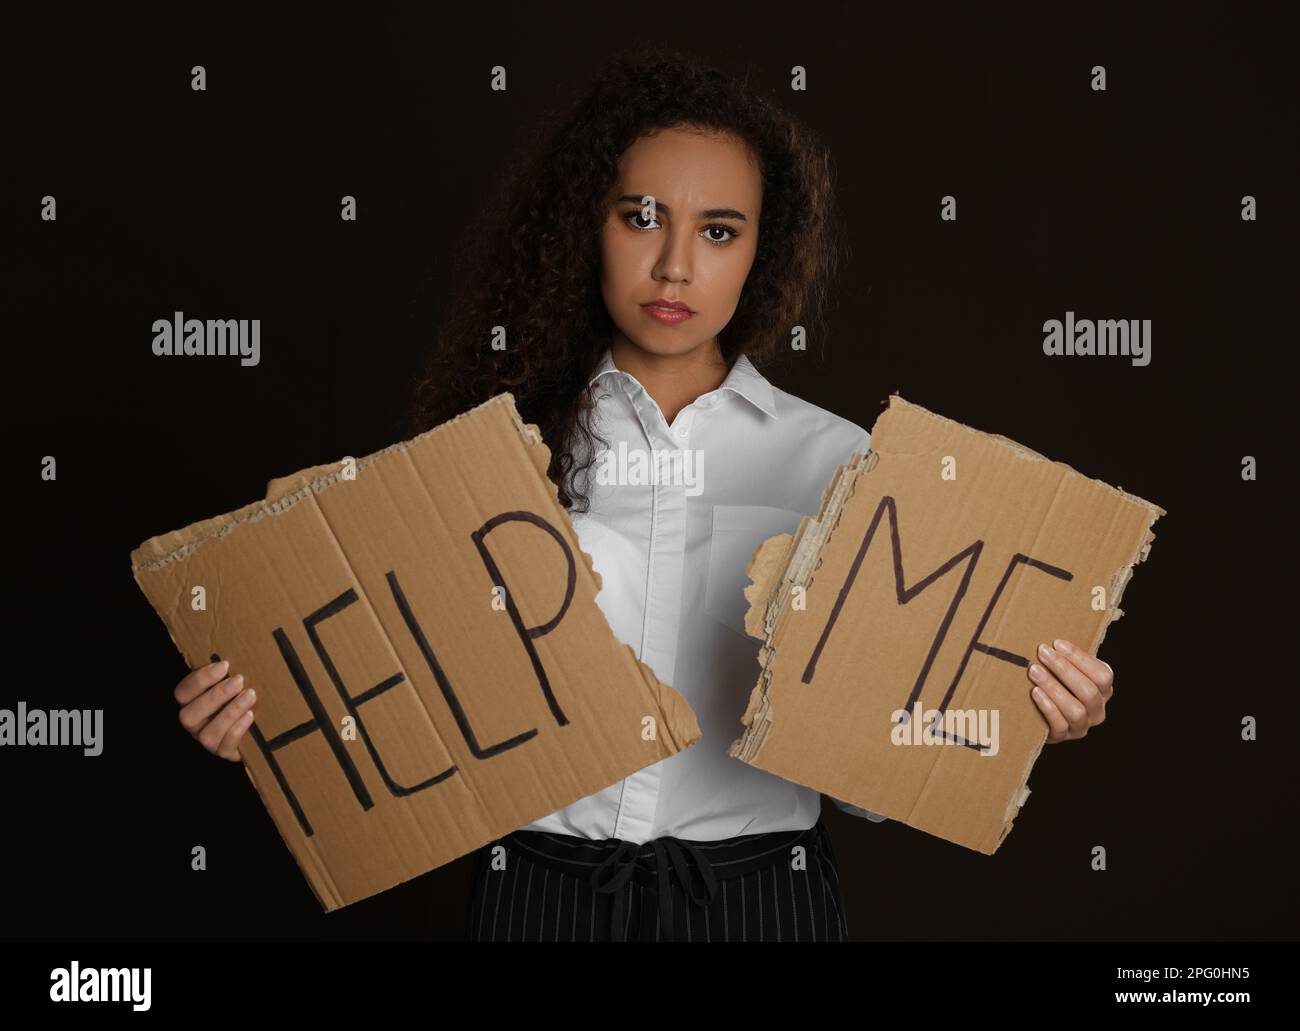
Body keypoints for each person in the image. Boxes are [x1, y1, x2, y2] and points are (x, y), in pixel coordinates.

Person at [173, 49, 1117, 941]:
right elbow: (399, 700)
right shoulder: (490, 455)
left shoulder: (843, 462)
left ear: (761, 248)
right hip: (540, 897)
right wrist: (271, 721)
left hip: (762, 902)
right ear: (588, 223)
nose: (675, 266)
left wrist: (1016, 711)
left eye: (718, 231)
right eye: (640, 217)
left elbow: (874, 767)